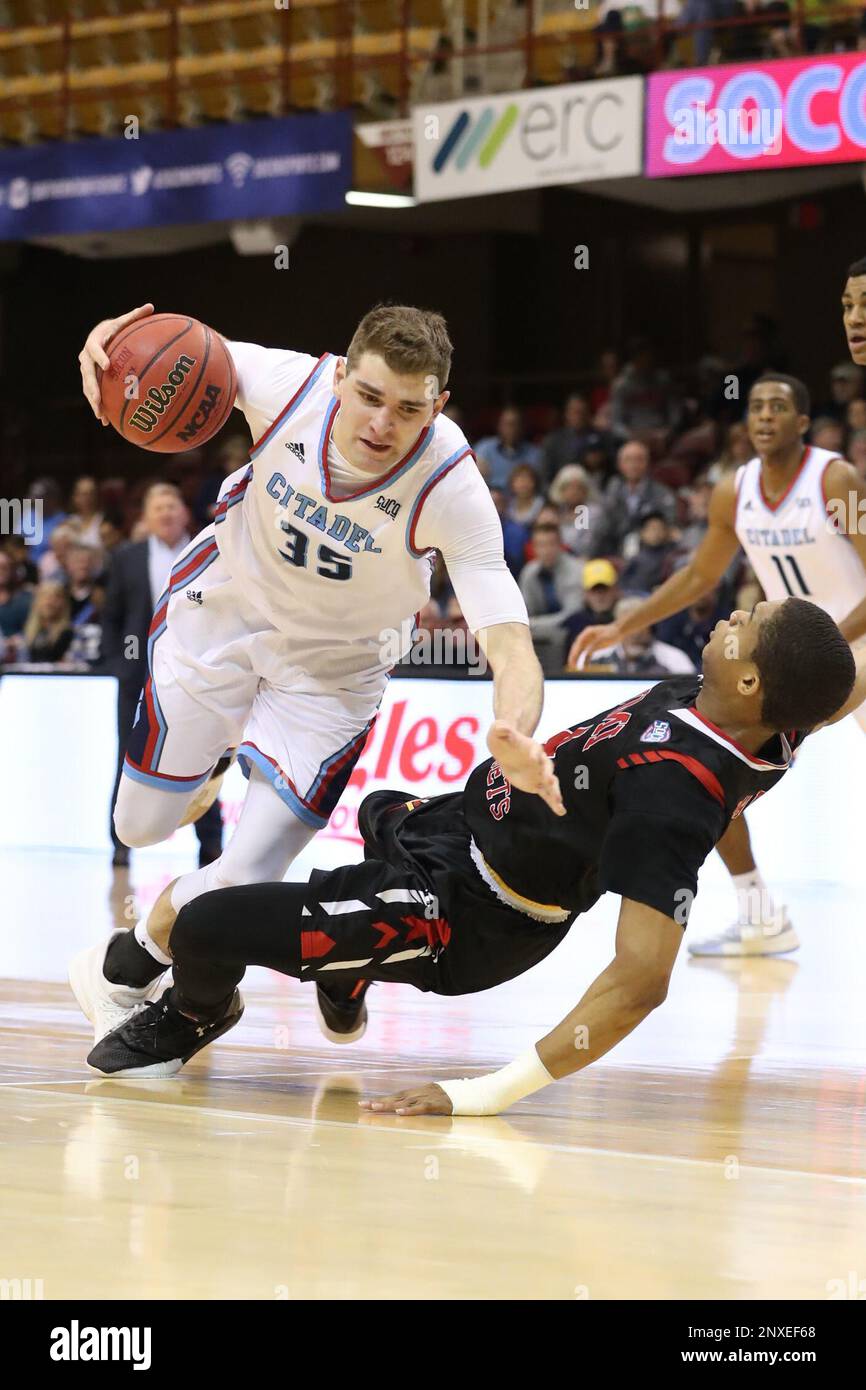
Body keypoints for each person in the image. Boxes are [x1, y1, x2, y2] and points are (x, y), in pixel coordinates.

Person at [84, 597, 865, 1105]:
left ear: (754, 681)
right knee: (384, 808)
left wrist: (479, 1094)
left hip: (468, 916)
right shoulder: (776, 718)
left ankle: (196, 1014)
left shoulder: (677, 799)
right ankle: (347, 974)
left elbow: (641, 980)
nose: (731, 612)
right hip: (453, 823)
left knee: (209, 926)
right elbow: (842, 682)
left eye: (746, 623)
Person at [72, 301, 558, 1047]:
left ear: (440, 404)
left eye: (408, 408)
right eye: (367, 396)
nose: (381, 423)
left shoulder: (451, 486)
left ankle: (158, 971)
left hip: (332, 676)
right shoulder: (284, 384)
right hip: (225, 612)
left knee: (240, 880)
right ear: (339, 376)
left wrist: (514, 730)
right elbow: (162, 353)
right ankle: (218, 761)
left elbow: (510, 639)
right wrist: (104, 347)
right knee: (138, 826)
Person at [571, 373, 866, 958]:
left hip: (856, 641)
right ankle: (760, 915)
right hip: (791, 666)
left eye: (778, 407)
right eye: (755, 406)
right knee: (712, 762)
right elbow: (701, 575)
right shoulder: (737, 491)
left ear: (803, 422)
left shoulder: (835, 478)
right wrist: (623, 624)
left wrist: (829, 642)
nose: (763, 417)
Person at [100, 482, 223, 872]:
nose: (167, 513)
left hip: (197, 671)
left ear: (184, 512)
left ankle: (210, 847)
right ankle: (120, 845)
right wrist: (121, 665)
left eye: (173, 505)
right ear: (146, 517)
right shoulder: (126, 558)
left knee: (204, 757)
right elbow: (112, 618)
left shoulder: (212, 548)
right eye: (158, 507)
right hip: (139, 676)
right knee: (127, 756)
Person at [518, 521, 584, 673]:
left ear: (560, 545)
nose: (546, 550)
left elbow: (572, 614)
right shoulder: (529, 572)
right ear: (533, 548)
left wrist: (533, 624)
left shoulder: (576, 570)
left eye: (550, 544)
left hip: (568, 629)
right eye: (540, 545)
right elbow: (524, 613)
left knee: (575, 624)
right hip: (539, 628)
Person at [593, 439, 676, 557]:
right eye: (628, 460)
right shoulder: (611, 492)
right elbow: (602, 527)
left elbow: (669, 525)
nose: (633, 465)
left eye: (639, 460)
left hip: (650, 554)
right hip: (614, 552)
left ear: (647, 463)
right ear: (619, 464)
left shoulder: (662, 494)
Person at [608, 595, 696, 676]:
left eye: (640, 624)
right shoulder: (599, 658)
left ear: (651, 625)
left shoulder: (675, 659)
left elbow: (692, 689)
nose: (635, 632)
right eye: (628, 626)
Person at [474, 406, 541, 490]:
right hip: (490, 498)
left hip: (520, 500)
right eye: (507, 424)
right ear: (499, 426)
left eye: (515, 424)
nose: (511, 429)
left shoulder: (534, 454)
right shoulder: (485, 448)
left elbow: (539, 486)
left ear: (522, 427)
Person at [21, 581, 74, 664]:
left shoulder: (68, 633)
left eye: (56, 597)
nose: (49, 602)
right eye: (45, 596)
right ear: (36, 602)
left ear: (64, 603)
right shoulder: (29, 632)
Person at [68, 476, 104, 548]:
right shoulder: (68, 522)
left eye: (91, 493)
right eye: (84, 494)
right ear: (75, 497)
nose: (88, 498)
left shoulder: (104, 521)